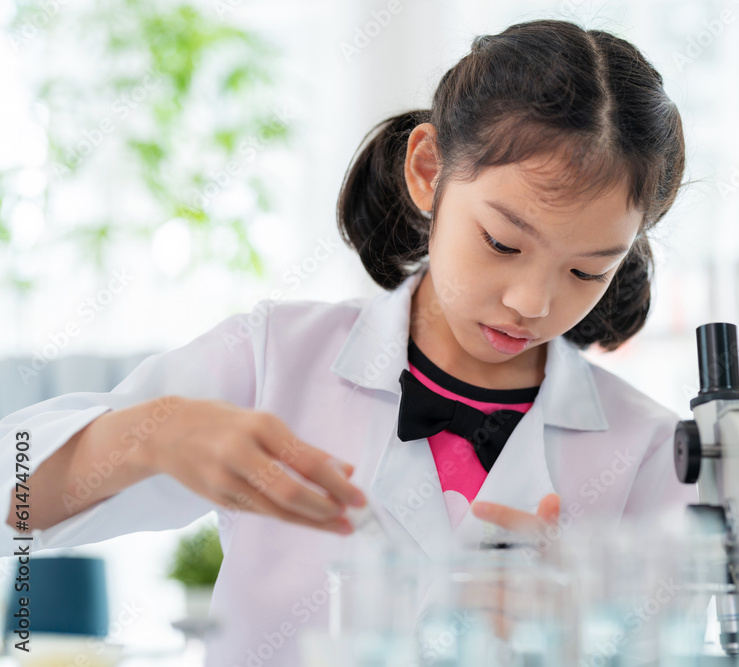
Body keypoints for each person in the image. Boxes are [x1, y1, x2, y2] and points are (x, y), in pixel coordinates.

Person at [0, 18, 693, 666]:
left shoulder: (648, 451)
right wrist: (147, 432)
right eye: (503, 242)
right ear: (428, 171)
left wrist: (583, 639)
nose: (532, 302)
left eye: (587, 270)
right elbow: (13, 498)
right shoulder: (275, 355)